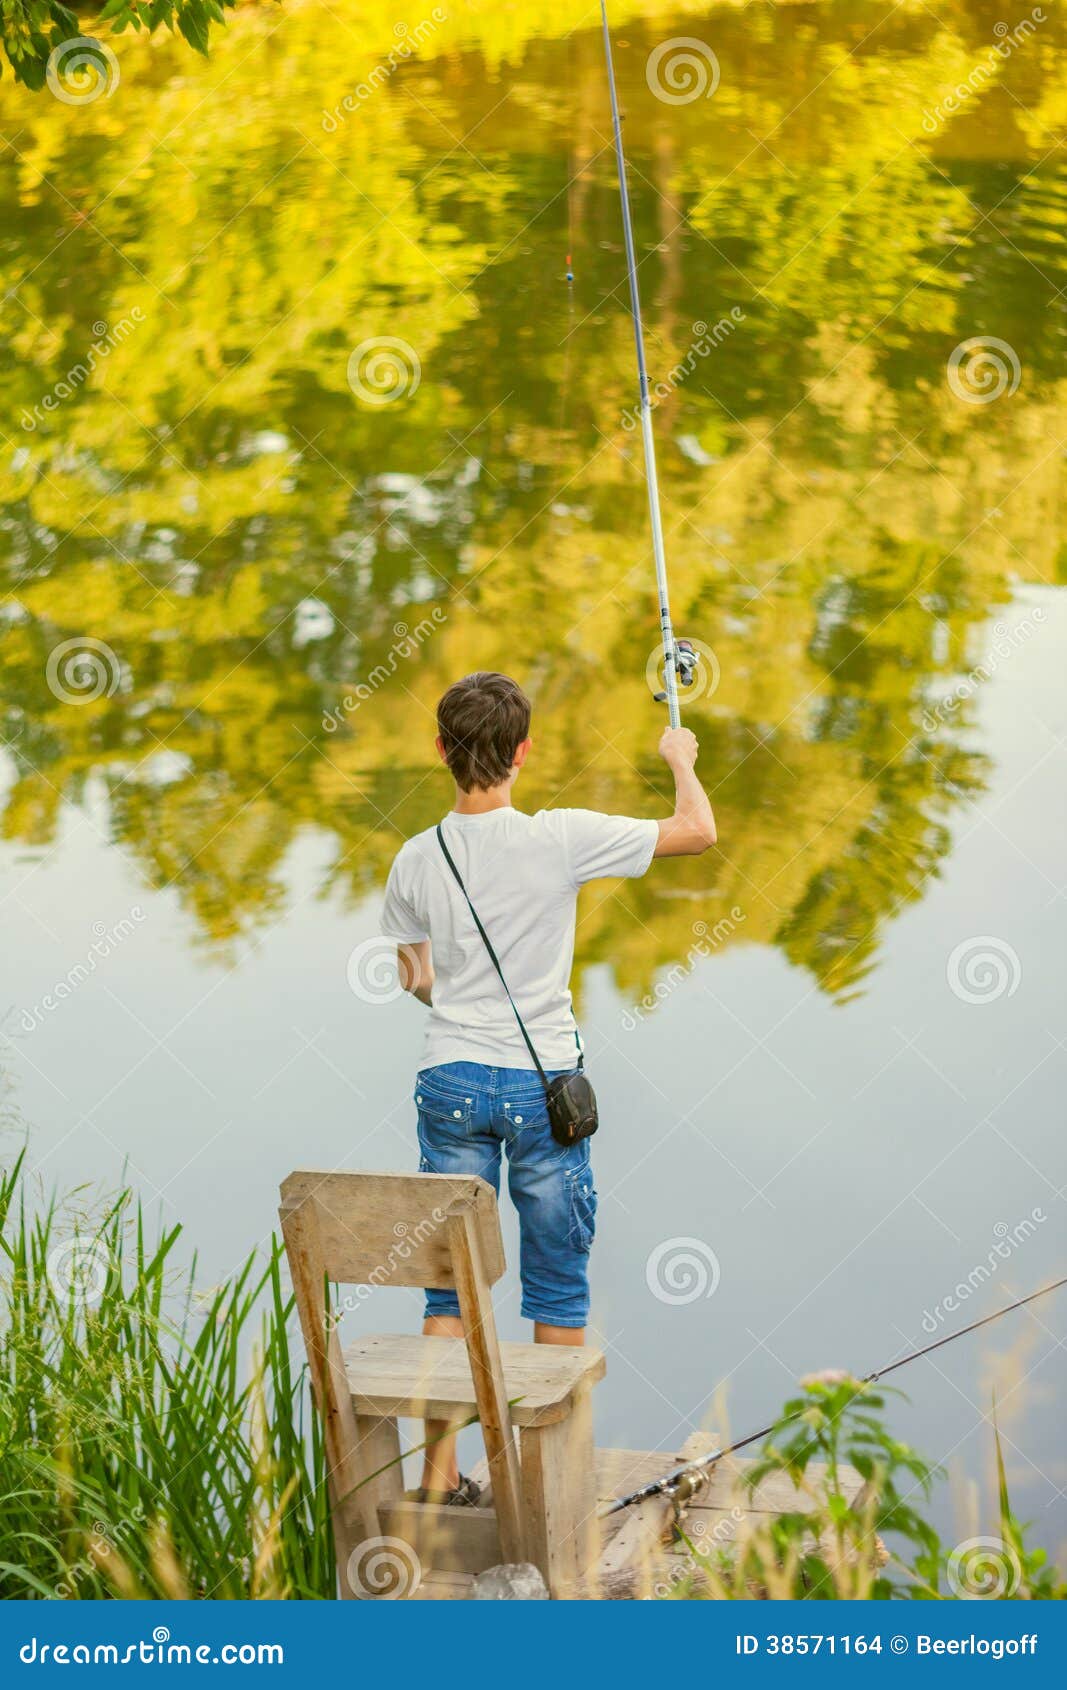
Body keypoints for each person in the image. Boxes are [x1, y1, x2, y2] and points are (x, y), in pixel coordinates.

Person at [381, 670, 716, 1502]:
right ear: (521, 753)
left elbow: (413, 977)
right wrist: (679, 755)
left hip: (449, 1078)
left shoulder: (415, 858)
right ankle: (537, 1481)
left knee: (449, 1287)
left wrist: (455, 995)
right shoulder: (559, 837)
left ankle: (435, 1476)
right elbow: (696, 832)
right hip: (542, 1087)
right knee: (557, 1283)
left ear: (440, 752)